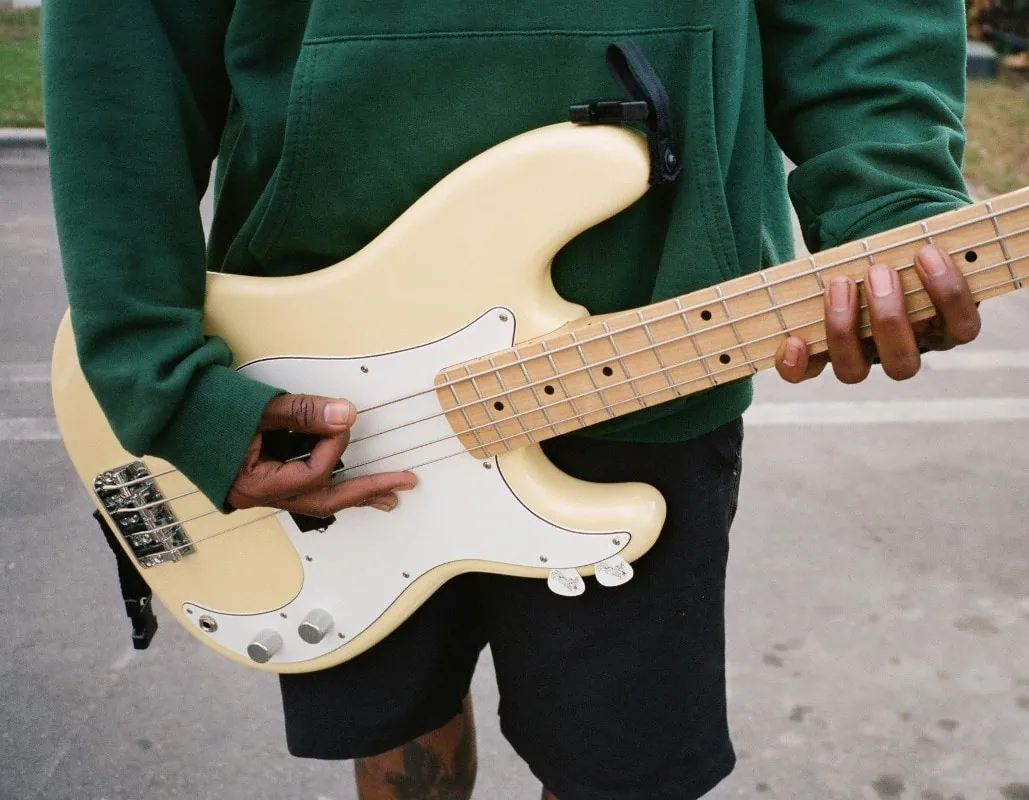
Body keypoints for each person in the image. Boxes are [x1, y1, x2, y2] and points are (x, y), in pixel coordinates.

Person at [41, 1, 980, 798]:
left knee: (619, 771)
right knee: (397, 731)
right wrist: (161, 377)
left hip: (652, 344)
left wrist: (888, 190)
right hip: (322, 368)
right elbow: (124, 38)